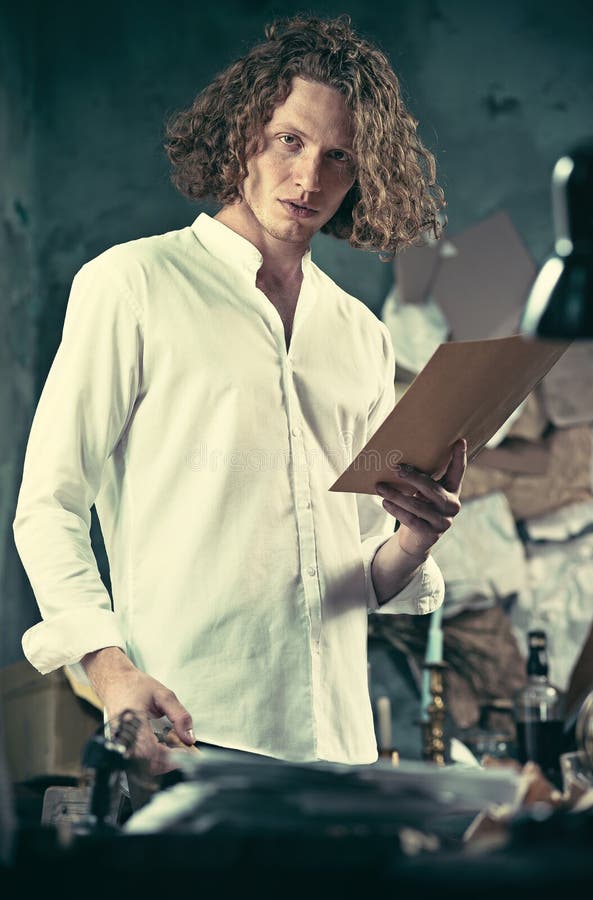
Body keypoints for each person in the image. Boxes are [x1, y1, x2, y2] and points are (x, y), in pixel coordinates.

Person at [13, 15, 466, 776]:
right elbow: (49, 504)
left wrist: (414, 541)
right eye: (290, 140)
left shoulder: (361, 334)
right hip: (188, 730)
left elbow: (354, 569)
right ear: (244, 133)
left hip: (339, 748)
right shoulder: (132, 284)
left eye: (339, 156)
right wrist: (110, 671)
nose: (310, 178)